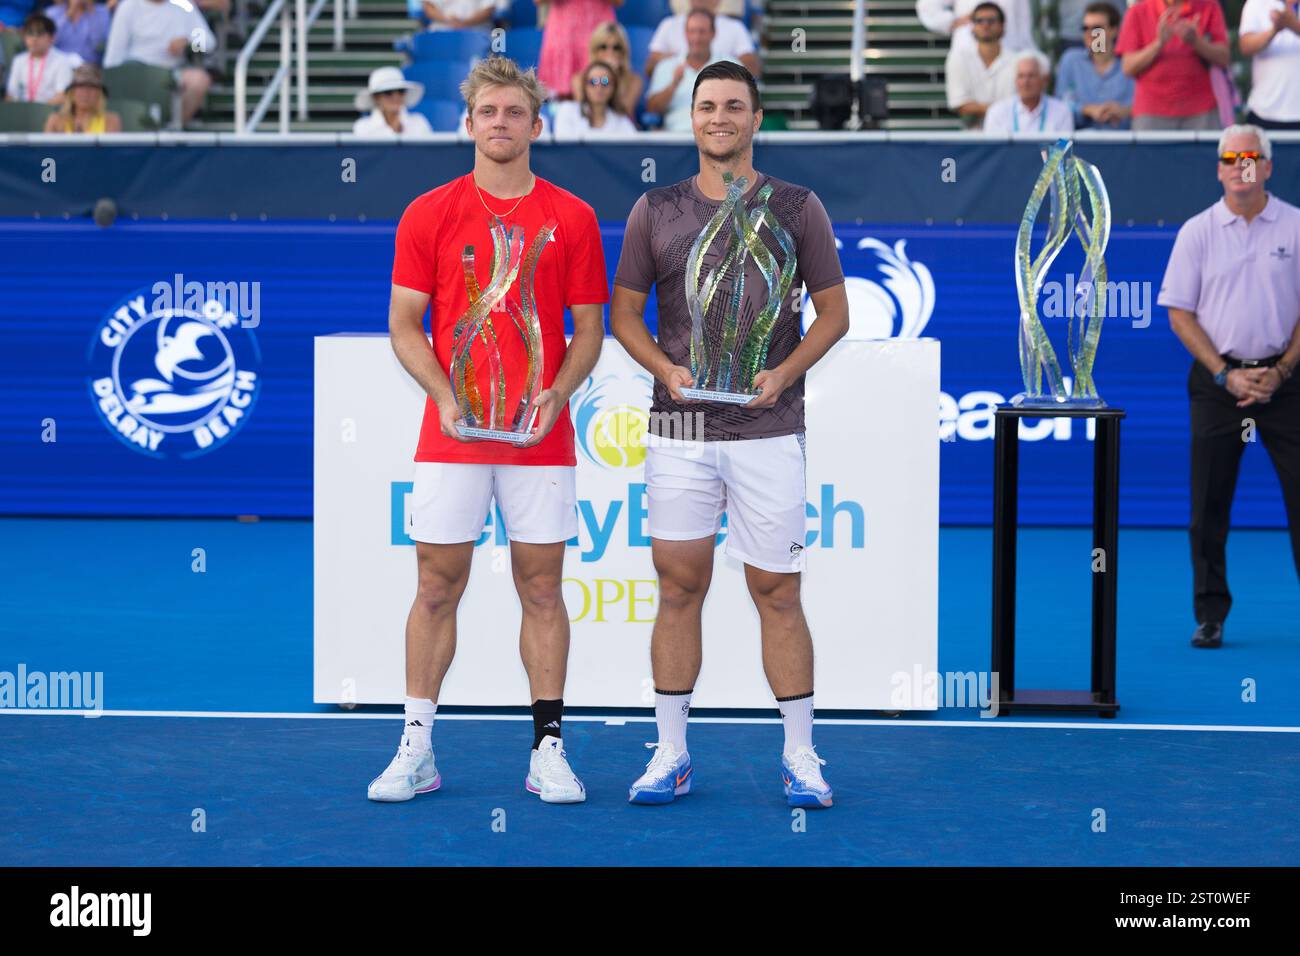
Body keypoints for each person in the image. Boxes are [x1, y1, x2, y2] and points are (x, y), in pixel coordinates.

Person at [610, 60, 850, 808]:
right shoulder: (655, 209)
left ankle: (802, 756)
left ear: (755, 119)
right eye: (707, 105)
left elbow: (836, 315)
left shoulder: (799, 206)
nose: (720, 117)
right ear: (692, 118)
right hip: (680, 420)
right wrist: (663, 368)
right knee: (678, 587)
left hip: (768, 423)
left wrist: (783, 373)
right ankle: (672, 754)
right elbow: (623, 316)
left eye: (734, 106)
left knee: (777, 591)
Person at [371, 56, 609, 804]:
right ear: (468, 123)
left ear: (537, 126)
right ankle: (416, 747)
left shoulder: (572, 217)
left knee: (542, 589)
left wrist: (558, 391)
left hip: (541, 438)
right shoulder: (427, 213)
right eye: (488, 112)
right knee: (436, 586)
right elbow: (405, 326)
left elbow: (591, 330)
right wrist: (442, 395)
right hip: (453, 436)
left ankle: (548, 749)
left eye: (514, 113)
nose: (500, 123)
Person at [1157, 125, 1300, 649]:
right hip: (1218, 383)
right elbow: (1179, 313)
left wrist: (1281, 370)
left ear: (1267, 166)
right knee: (1209, 507)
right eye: (1230, 157)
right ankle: (1210, 614)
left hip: (1286, 383)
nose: (1241, 164)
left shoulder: (1296, 226)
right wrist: (1225, 372)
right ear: (1218, 168)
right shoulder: (1197, 231)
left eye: (1252, 156)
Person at [1115, 0, 1228, 131]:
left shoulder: (1210, 6)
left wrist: (1196, 42)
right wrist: (1159, 44)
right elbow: (1128, 67)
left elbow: (1223, 58)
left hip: (1201, 110)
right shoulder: (1137, 12)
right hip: (1151, 112)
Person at [103, 0, 216, 126]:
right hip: (137, 71)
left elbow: (209, 43)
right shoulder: (129, 6)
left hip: (174, 71)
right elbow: (114, 53)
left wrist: (188, 42)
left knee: (199, 80)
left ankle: (172, 127)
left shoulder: (184, 5)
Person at [646, 8, 736, 131]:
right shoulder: (666, 66)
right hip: (676, 136)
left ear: (713, 34)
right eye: (692, 31)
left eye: (702, 31)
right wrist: (673, 85)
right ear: (685, 34)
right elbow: (652, 109)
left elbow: (745, 104)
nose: (696, 38)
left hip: (718, 135)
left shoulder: (732, 66)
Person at [1055, 2, 1134, 129]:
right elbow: (1060, 105)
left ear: (1114, 30)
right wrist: (1087, 110)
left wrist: (1124, 111)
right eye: (1085, 28)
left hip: (1123, 142)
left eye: (1097, 28)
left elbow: (1146, 107)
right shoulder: (1071, 60)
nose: (1090, 33)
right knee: (1050, 148)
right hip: (1079, 142)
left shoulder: (1130, 64)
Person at [944, 2, 1016, 129]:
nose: (985, 25)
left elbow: (1020, 104)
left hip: (1011, 134)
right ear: (972, 26)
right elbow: (960, 105)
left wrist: (978, 108)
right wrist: (1001, 110)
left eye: (991, 20)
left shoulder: (1017, 60)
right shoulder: (958, 57)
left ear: (1002, 26)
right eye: (979, 20)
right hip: (972, 136)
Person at [644, 0, 760, 78]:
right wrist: (675, 61)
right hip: (679, 100)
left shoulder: (735, 27)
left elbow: (752, 69)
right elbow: (650, 68)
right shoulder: (669, 25)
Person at [536, 0, 620, 99]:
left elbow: (618, 1)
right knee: (561, 98)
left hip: (598, 29)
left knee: (600, 89)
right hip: (564, 33)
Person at [1238, 0, 1300, 129]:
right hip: (1265, 112)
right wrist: (1274, 30)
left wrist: (1294, 25)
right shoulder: (1256, 3)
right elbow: (1246, 46)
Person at [982, 49, 1074, 133]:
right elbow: (995, 150)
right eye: (1021, 76)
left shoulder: (1062, 111)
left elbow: (1061, 150)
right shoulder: (997, 112)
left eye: (1031, 76)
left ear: (1045, 80)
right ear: (1015, 80)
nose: (1025, 82)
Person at [568, 20, 642, 119]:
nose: (610, 52)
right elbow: (587, 111)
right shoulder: (579, 79)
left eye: (616, 47)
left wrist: (612, 75)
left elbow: (623, 112)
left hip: (623, 132)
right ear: (594, 50)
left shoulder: (634, 80)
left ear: (623, 52)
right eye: (603, 47)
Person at [5, 13, 80, 103]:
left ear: (52, 38)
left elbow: (62, 96)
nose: (34, 39)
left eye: (40, 34)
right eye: (30, 33)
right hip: (20, 111)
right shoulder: (18, 60)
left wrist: (37, 111)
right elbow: (11, 94)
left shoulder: (62, 61)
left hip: (49, 112)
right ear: (24, 37)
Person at [553, 59, 637, 137]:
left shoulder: (621, 120)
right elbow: (565, 149)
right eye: (593, 81)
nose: (599, 87)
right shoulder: (567, 111)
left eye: (605, 81)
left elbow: (633, 148)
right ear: (584, 86)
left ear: (614, 87)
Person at [917, 0, 1033, 53]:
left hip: (1008, 52)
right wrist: (955, 21)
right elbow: (926, 6)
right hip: (968, 52)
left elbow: (1024, 25)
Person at [352, 66, 435, 137]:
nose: (396, 97)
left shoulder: (419, 123)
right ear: (376, 97)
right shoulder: (363, 128)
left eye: (400, 91)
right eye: (388, 92)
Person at [43, 61, 119, 131]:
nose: (85, 93)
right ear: (72, 93)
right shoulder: (56, 121)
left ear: (99, 93)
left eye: (91, 87)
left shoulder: (110, 121)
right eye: (80, 87)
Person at [47, 0, 111, 66]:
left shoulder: (102, 12)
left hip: (89, 67)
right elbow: (49, 41)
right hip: (59, 66)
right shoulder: (52, 13)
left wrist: (91, 12)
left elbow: (99, 45)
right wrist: (68, 14)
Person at [422, 0, 495, 31]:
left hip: (476, 32)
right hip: (442, 31)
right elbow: (429, 7)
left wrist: (465, 23)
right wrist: (448, 20)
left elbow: (488, 9)